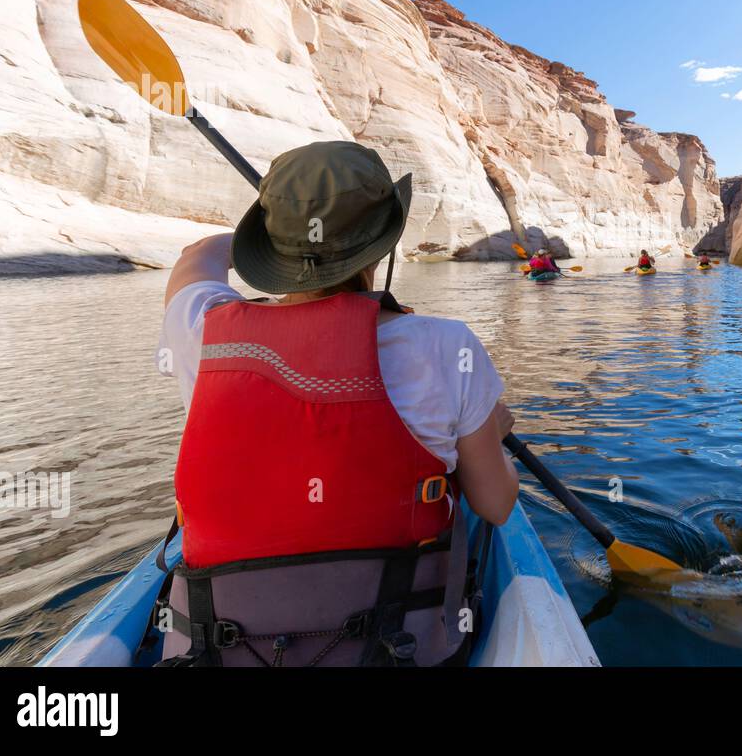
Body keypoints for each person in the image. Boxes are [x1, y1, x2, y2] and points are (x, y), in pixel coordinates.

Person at [155, 140, 519, 667]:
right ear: (382, 249)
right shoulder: (447, 346)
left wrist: (284, 225)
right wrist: (493, 437)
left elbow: (197, 258)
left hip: (216, 655)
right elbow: (496, 505)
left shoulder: (201, 332)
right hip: (401, 652)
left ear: (266, 248)